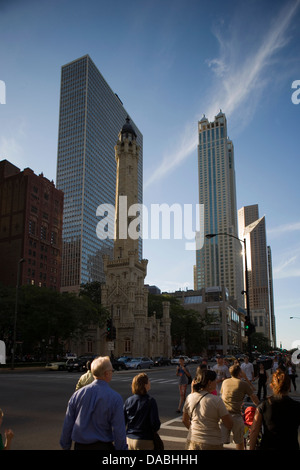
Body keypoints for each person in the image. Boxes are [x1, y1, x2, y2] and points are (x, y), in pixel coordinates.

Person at [60, 356, 127, 450]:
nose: (112, 373)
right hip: (103, 446)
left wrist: (65, 445)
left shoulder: (77, 395)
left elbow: (68, 424)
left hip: (80, 446)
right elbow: (119, 430)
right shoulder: (115, 398)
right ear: (106, 373)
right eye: (112, 371)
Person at [182, 369, 232, 450]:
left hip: (192, 440)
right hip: (212, 442)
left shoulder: (190, 397)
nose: (216, 382)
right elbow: (229, 424)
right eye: (215, 380)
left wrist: (194, 430)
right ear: (209, 382)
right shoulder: (217, 400)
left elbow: (184, 420)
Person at [249, 369, 300, 450]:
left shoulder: (264, 404)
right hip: (291, 446)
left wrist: (251, 448)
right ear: (289, 386)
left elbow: (254, 430)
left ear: (272, 386)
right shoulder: (297, 406)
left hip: (268, 445)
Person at [220, 364, 259, 450]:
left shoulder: (225, 382)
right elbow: (254, 398)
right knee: (240, 441)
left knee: (220, 442)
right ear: (240, 373)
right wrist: (260, 407)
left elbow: (223, 395)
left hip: (224, 415)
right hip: (236, 416)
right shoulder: (243, 384)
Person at [123, 373, 161, 450]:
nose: (150, 382)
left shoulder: (128, 400)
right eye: (148, 381)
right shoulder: (150, 401)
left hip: (129, 438)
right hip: (144, 439)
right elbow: (155, 424)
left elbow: (123, 421)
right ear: (144, 385)